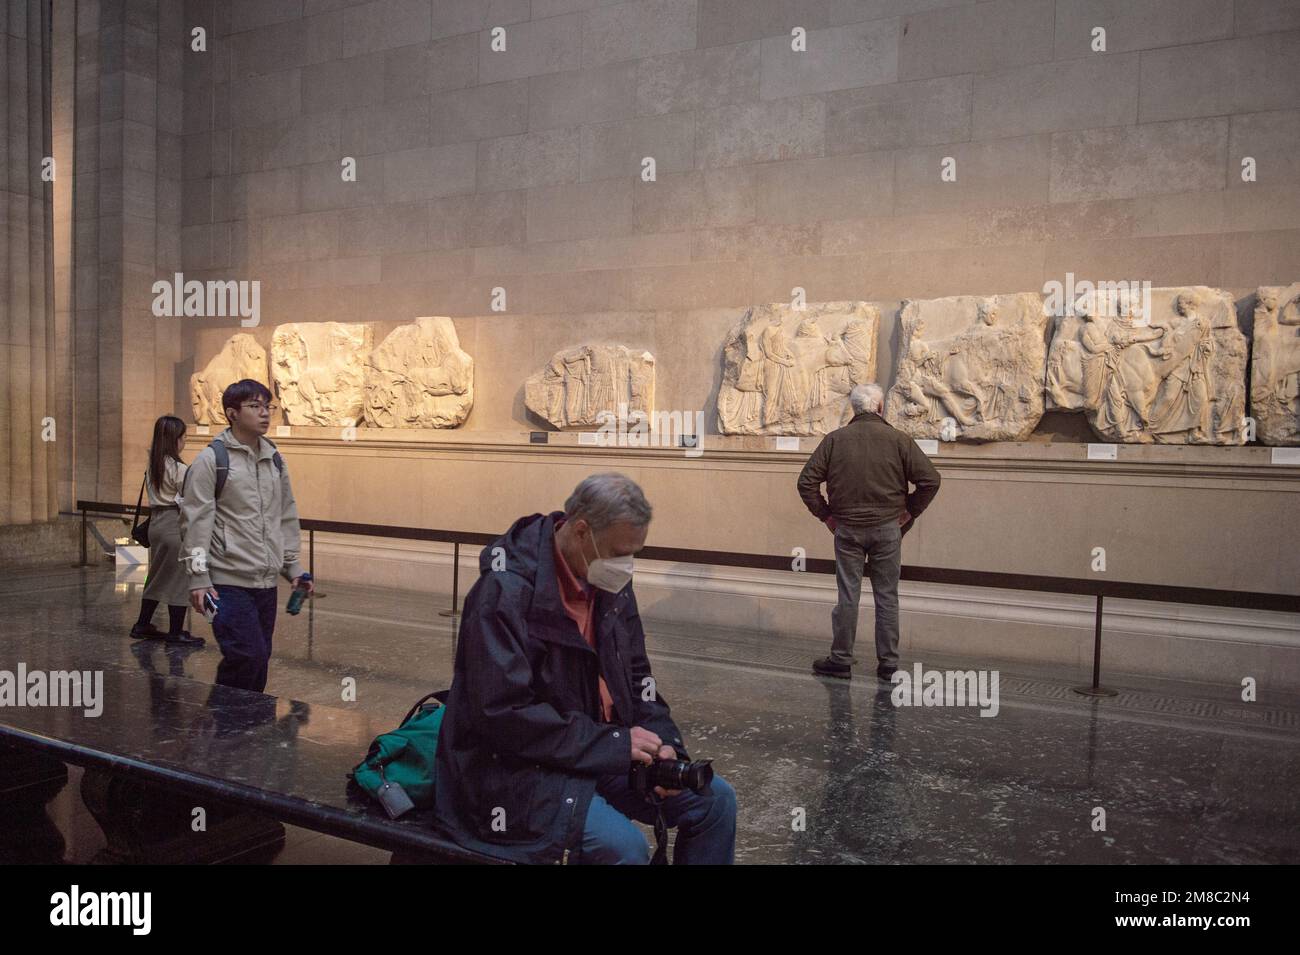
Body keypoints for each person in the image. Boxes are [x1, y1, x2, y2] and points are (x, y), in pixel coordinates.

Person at [433, 472, 737, 865]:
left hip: (595, 750)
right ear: (581, 532)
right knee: (623, 847)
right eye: (618, 552)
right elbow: (503, 715)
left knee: (714, 803)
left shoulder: (608, 581)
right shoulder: (504, 592)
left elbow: (638, 681)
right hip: (515, 772)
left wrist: (666, 751)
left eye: (634, 553)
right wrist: (611, 745)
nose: (626, 566)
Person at [797, 383, 941, 680]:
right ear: (880, 407)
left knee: (848, 595)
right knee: (887, 597)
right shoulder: (899, 440)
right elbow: (930, 480)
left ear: (854, 408)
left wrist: (826, 515)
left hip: (847, 529)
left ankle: (841, 659)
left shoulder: (835, 440)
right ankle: (888, 664)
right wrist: (910, 511)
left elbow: (806, 482)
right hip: (888, 529)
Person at [178, 379, 312, 692]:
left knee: (259, 658)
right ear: (232, 413)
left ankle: (251, 728)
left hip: (265, 581)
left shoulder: (275, 459)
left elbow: (286, 515)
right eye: (255, 406)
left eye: (268, 406)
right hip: (227, 581)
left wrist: (292, 567)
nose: (265, 413)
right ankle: (225, 728)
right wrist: (198, 578)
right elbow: (195, 523)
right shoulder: (212, 460)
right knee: (246, 656)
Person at [130, 415, 204, 646]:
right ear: (176, 440)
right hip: (173, 523)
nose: (184, 442)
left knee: (157, 576)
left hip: (156, 524)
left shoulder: (153, 464)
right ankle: (175, 632)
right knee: (180, 578)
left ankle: (142, 623)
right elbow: (193, 499)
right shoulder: (179, 469)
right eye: (183, 437)